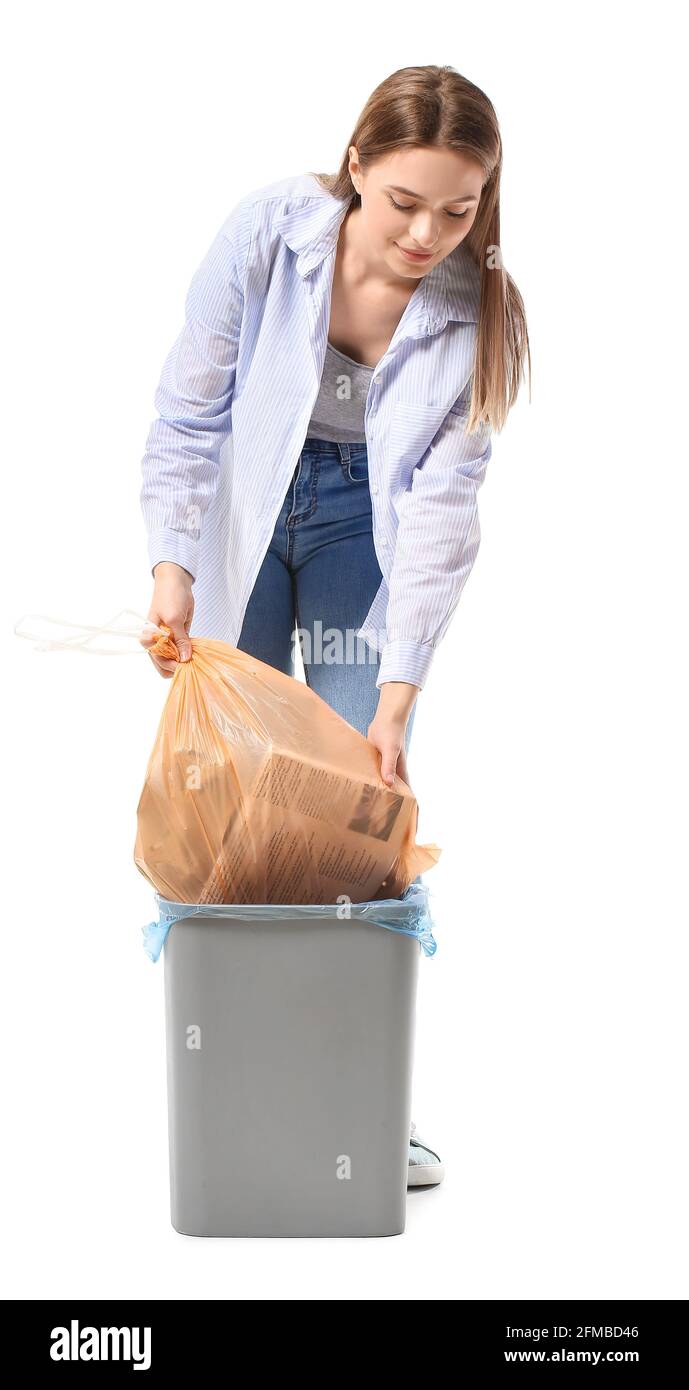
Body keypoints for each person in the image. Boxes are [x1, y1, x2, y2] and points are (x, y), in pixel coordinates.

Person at [139, 63, 530, 1188]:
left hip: (369, 527)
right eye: (404, 201)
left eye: (458, 210)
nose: (427, 233)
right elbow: (189, 405)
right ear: (356, 161)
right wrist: (172, 565)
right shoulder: (270, 231)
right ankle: (237, 1088)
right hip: (249, 519)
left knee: (361, 813)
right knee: (238, 802)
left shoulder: (477, 311)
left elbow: (441, 514)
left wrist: (397, 692)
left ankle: (363, 1097)